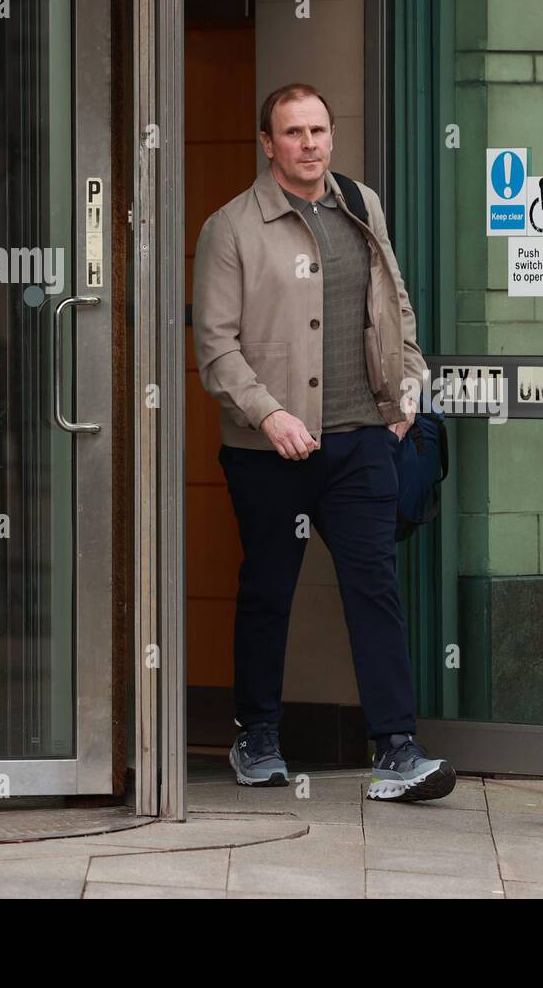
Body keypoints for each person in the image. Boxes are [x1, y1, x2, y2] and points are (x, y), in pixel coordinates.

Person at [191, 82, 455, 803]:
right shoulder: (232, 228)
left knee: (375, 585)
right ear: (267, 143)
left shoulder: (359, 204)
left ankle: (397, 748)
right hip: (266, 447)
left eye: (319, 130)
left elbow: (394, 301)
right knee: (269, 587)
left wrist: (405, 393)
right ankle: (257, 734)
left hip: (360, 438)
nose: (309, 144)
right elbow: (215, 345)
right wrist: (270, 415)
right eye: (293, 132)